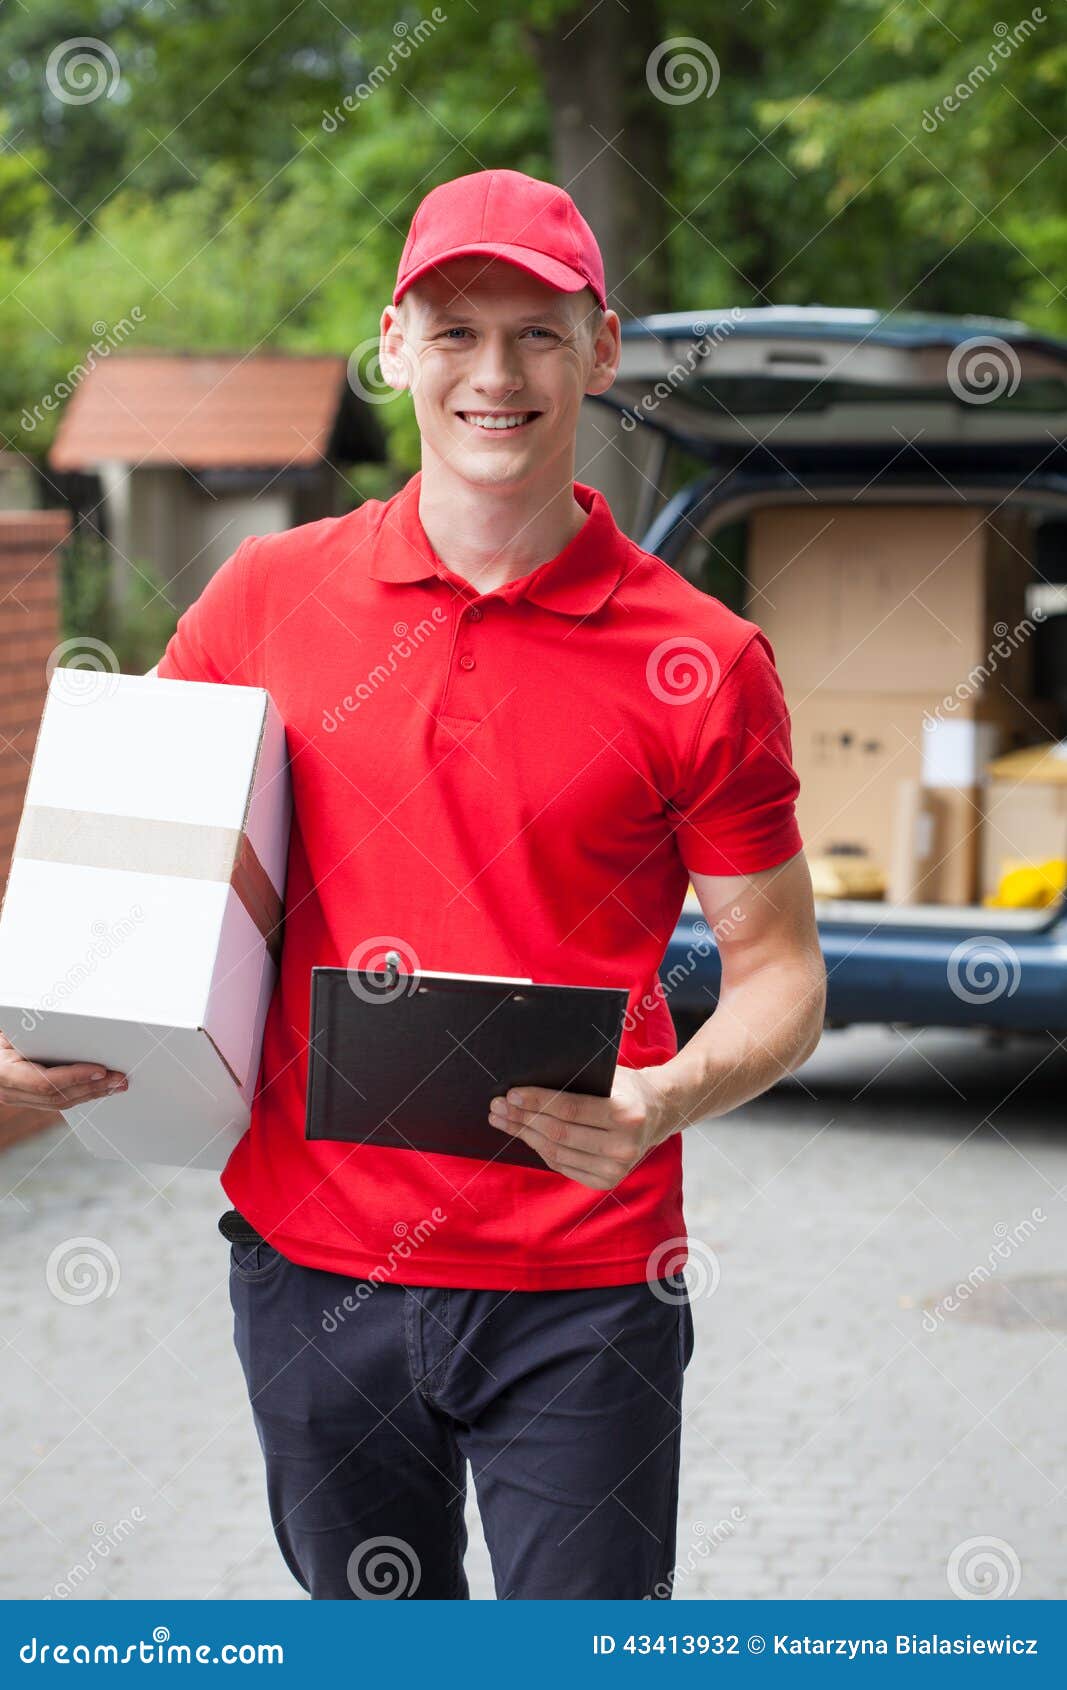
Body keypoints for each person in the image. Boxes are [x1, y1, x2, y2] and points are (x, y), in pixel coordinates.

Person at [0, 168, 826, 1600]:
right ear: (394, 345)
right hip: (312, 1268)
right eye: (454, 331)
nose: (492, 374)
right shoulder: (264, 599)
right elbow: (127, 860)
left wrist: (662, 1098)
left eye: (537, 333)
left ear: (603, 350)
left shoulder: (699, 661)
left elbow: (785, 971)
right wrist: (43, 1031)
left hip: (583, 1286)